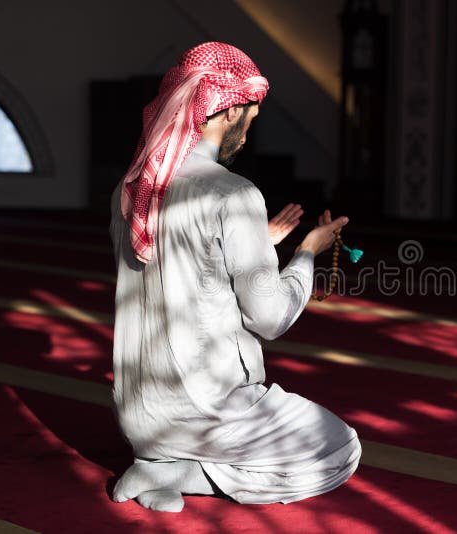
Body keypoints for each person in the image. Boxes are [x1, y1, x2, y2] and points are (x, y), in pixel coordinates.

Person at [108, 42, 361, 513]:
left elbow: (174, 271)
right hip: (209, 413)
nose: (246, 134)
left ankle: (157, 463)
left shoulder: (130, 190)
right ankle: (184, 471)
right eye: (250, 119)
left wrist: (255, 244)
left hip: (138, 419)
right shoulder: (232, 192)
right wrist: (306, 253)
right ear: (228, 111)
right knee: (341, 448)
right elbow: (270, 318)